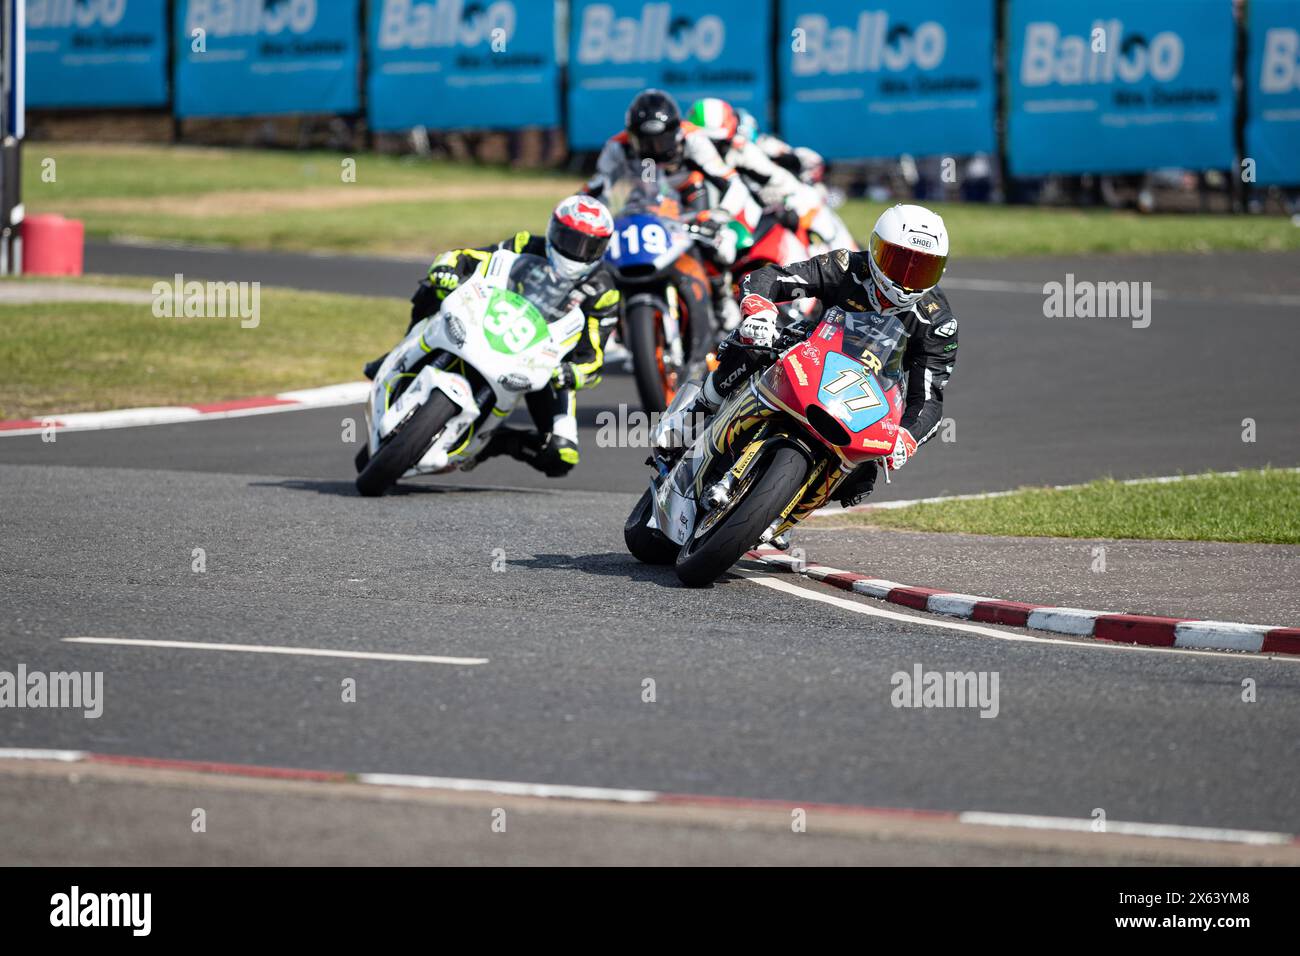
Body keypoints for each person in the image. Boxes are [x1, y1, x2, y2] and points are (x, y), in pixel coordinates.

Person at [685, 203, 957, 510]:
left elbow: (930, 397)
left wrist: (908, 437)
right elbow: (772, 278)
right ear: (877, 250)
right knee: (753, 344)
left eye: (922, 268)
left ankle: (785, 510)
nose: (907, 279)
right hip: (812, 354)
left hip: (867, 395)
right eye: (899, 262)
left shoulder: (939, 322)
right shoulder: (847, 266)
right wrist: (760, 312)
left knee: (866, 470)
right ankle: (698, 409)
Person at [365, 195, 619, 478]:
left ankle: (494, 443)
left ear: (603, 248)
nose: (577, 251)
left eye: (589, 246)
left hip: (544, 361)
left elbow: (593, 358)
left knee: (561, 455)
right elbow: (472, 257)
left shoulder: (603, 291)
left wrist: (572, 373)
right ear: (553, 230)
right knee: (435, 288)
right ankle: (398, 351)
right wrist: (448, 268)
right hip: (490, 318)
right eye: (570, 240)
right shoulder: (525, 244)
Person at [585, 89, 761, 333]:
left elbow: (732, 183)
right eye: (645, 142)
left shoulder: (693, 139)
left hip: (690, 201)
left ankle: (720, 297)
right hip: (643, 203)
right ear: (632, 135)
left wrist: (717, 216)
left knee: (720, 249)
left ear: (675, 132)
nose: (654, 149)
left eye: (660, 141)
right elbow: (597, 187)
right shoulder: (617, 147)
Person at [686, 98, 855, 253]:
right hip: (748, 217)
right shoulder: (691, 156)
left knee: (826, 250)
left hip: (784, 207)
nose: (706, 147)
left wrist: (787, 205)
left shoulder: (746, 151)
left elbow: (789, 184)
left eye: (714, 142)